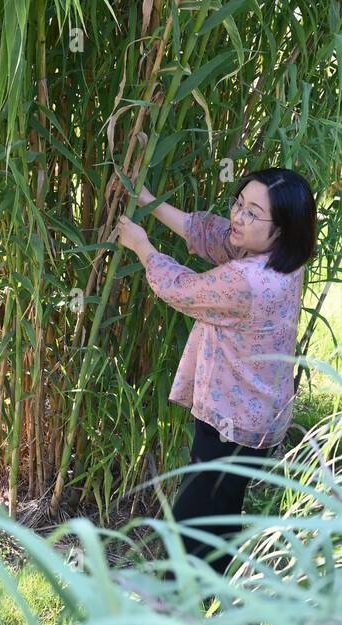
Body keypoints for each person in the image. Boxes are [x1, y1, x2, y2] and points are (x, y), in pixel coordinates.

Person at [115, 168, 317, 577]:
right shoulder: (281, 259)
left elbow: (181, 290)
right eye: (239, 203)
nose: (239, 218)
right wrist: (147, 200)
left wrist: (142, 246)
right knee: (221, 512)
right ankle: (212, 597)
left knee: (193, 518)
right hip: (259, 416)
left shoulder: (249, 281)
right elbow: (210, 234)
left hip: (231, 421)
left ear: (281, 229)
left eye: (252, 213)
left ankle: (176, 609)